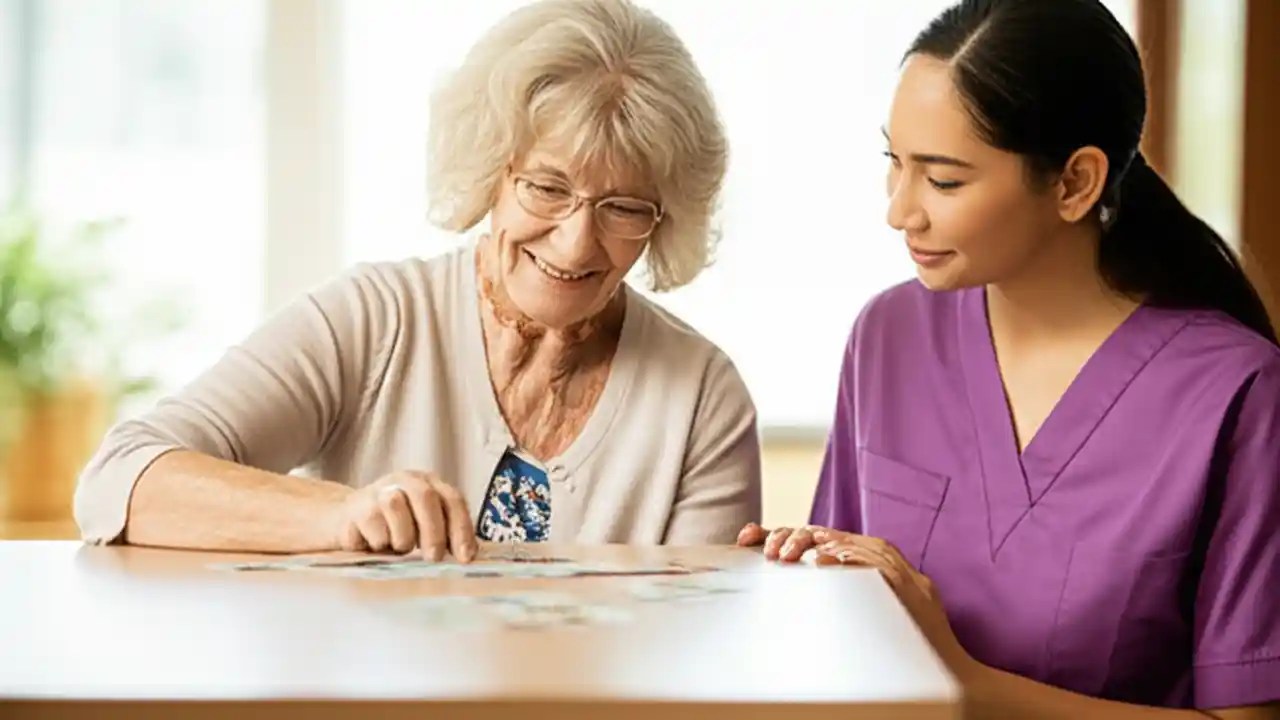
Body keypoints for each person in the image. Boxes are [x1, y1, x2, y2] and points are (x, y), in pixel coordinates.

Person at [739, 0, 1280, 716]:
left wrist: (967, 682)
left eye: (944, 180)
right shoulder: (887, 337)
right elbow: (844, 636)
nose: (900, 211)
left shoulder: (1237, 393)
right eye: (893, 165)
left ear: (1075, 183)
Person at [75, 0, 761, 562]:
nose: (577, 240)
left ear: (666, 218)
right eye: (547, 187)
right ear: (490, 167)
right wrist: (344, 514)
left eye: (623, 207)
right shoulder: (375, 320)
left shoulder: (703, 397)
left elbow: (693, 658)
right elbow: (120, 480)